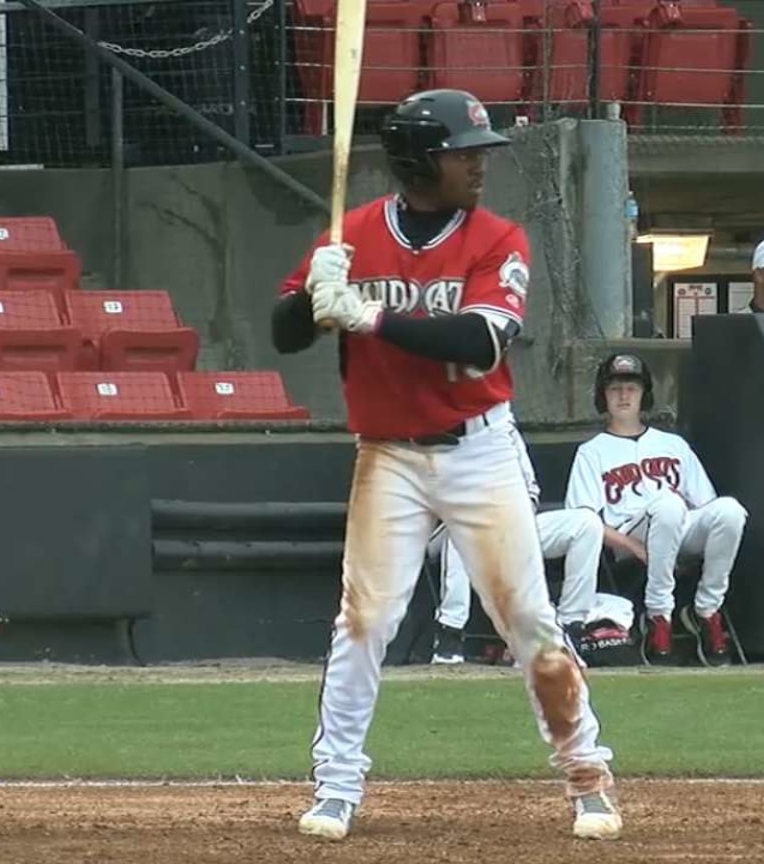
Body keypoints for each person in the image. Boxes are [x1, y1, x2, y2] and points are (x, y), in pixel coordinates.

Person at [270, 89, 620, 842]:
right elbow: (284, 333)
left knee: (527, 619)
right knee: (364, 620)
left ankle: (587, 776)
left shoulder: (498, 238)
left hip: (479, 449)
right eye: (464, 154)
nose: (479, 165)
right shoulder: (354, 234)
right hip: (387, 454)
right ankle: (335, 786)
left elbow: (481, 341)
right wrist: (313, 298)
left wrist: (368, 315)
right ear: (418, 160)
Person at [565, 353, 748, 667]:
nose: (623, 396)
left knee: (730, 510)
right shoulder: (591, 452)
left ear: (644, 395)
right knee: (668, 504)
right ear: (603, 396)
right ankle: (658, 614)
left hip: (677, 526)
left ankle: (706, 609)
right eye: (615, 389)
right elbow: (583, 521)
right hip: (630, 536)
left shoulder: (673, 444)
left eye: (631, 388)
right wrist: (631, 546)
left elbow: (705, 503)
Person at [426, 431, 605, 664]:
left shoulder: (505, 432)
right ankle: (450, 630)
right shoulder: (436, 433)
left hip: (512, 525)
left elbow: (530, 491)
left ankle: (570, 626)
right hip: (452, 530)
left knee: (586, 523)